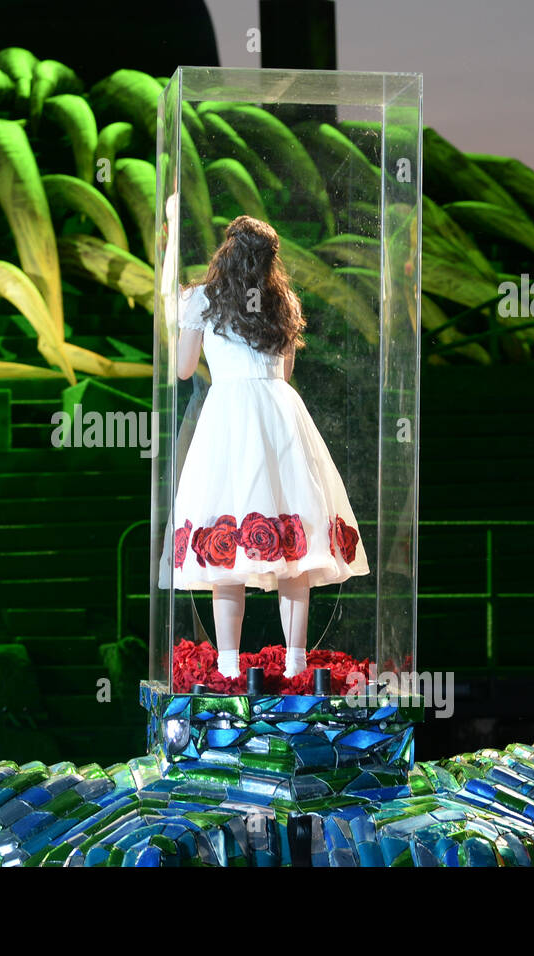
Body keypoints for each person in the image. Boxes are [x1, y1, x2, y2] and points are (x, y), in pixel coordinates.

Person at [164, 200, 370, 680]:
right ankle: (297, 663)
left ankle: (230, 666)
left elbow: (183, 369)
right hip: (280, 416)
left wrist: (175, 237)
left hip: (229, 419)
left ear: (226, 254)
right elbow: (286, 371)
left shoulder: (203, 299)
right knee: (293, 544)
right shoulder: (282, 305)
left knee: (226, 543)